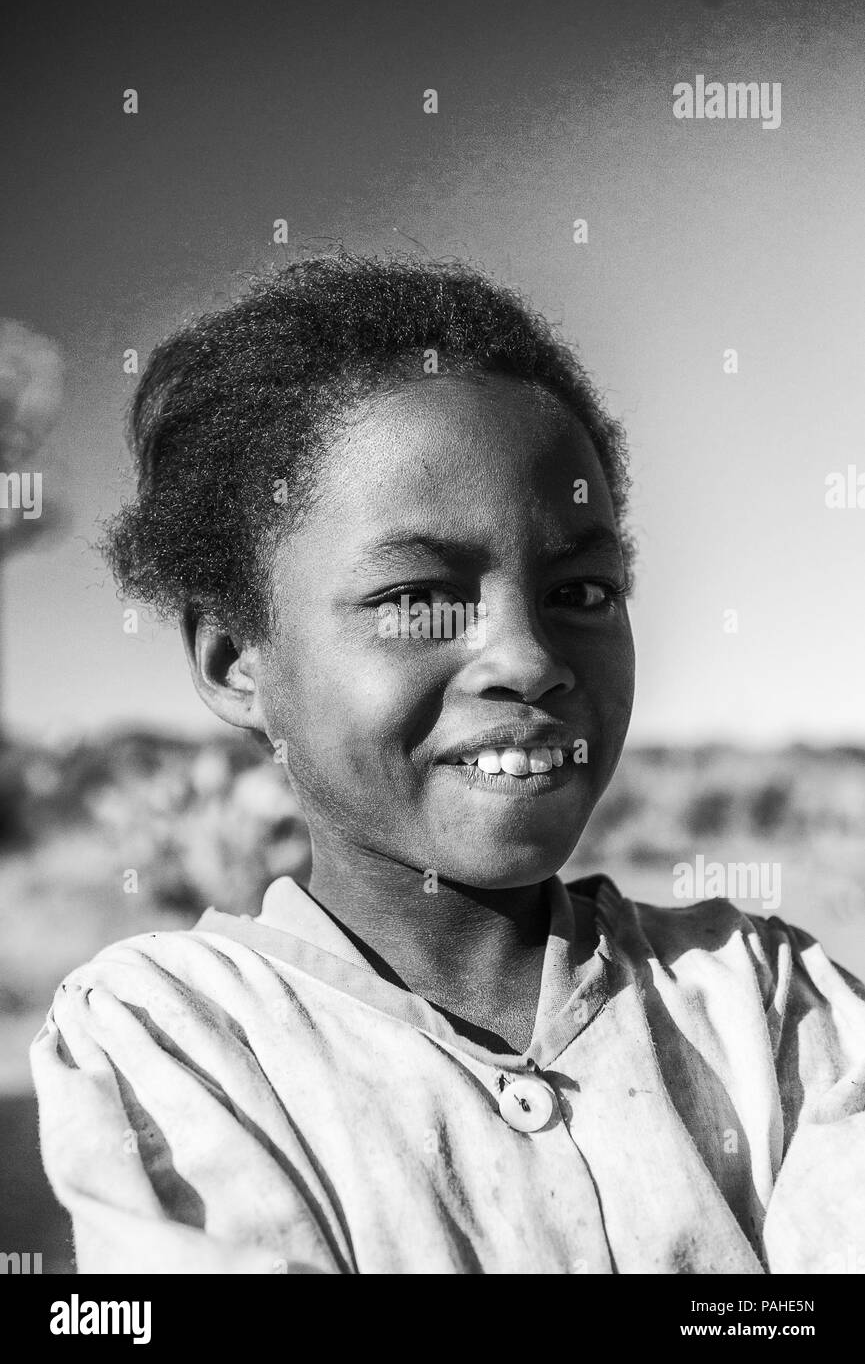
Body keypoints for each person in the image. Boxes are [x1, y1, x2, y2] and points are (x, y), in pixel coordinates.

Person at [31, 255, 865, 1273]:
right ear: (233, 661)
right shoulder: (176, 1038)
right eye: (417, 597)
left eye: (585, 591)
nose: (526, 657)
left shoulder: (766, 1002)